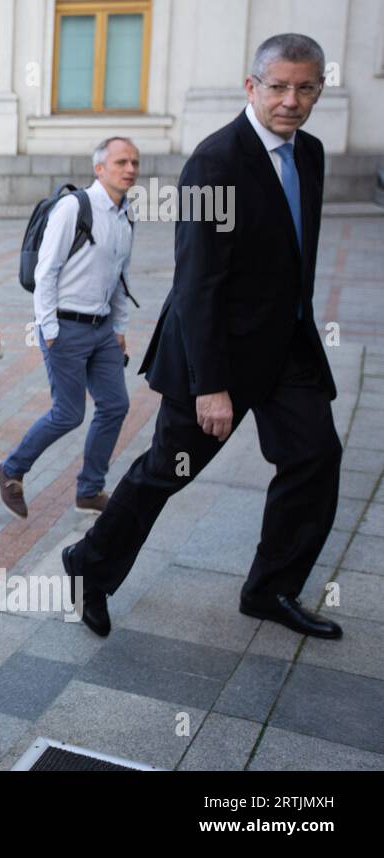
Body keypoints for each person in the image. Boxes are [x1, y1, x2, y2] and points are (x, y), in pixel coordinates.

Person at [64, 33, 343, 640]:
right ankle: (88, 564)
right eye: (278, 86)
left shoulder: (312, 154)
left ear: (319, 89)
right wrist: (211, 386)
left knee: (316, 458)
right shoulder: (217, 162)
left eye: (305, 88)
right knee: (170, 470)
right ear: (252, 86)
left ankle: (270, 590)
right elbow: (198, 283)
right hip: (218, 351)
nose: (291, 100)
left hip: (287, 347)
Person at [0, 137, 139, 518]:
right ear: (100, 168)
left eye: (134, 163)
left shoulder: (125, 217)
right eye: (122, 161)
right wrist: (48, 327)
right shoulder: (74, 207)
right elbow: (47, 270)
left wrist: (119, 326)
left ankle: (89, 490)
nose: (130, 169)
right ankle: (11, 470)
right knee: (69, 413)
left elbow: (120, 276)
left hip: (103, 328)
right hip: (66, 327)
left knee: (115, 405)